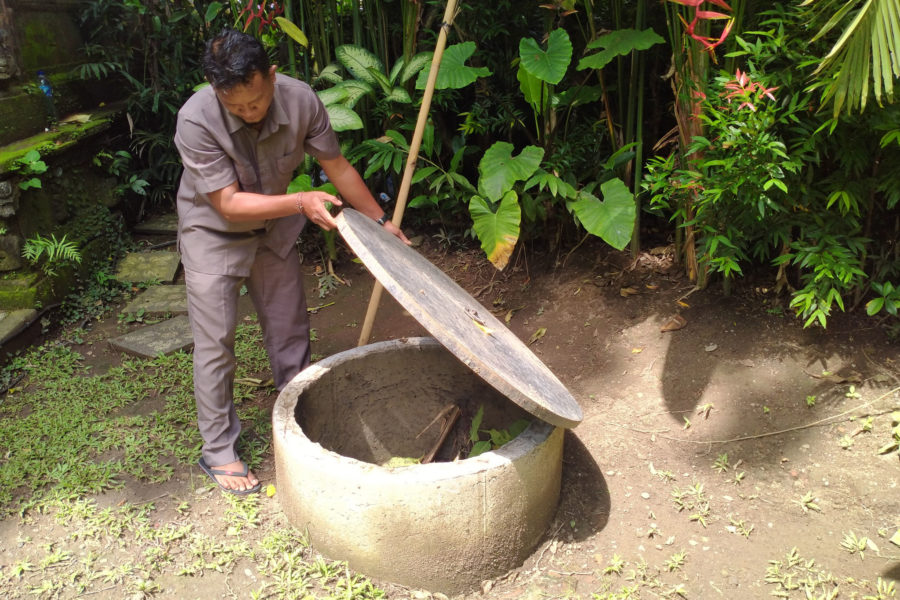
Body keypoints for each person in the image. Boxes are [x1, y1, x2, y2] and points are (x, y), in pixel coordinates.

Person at [174, 29, 408, 494]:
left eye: (256, 101)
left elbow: (337, 167)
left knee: (289, 329)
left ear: (272, 76)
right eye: (236, 106)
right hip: (212, 233)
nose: (249, 112)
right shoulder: (195, 119)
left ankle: (297, 419)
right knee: (215, 342)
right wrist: (300, 201)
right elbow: (228, 203)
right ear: (215, 89)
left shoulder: (301, 100)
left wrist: (381, 221)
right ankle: (218, 450)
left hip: (274, 230)